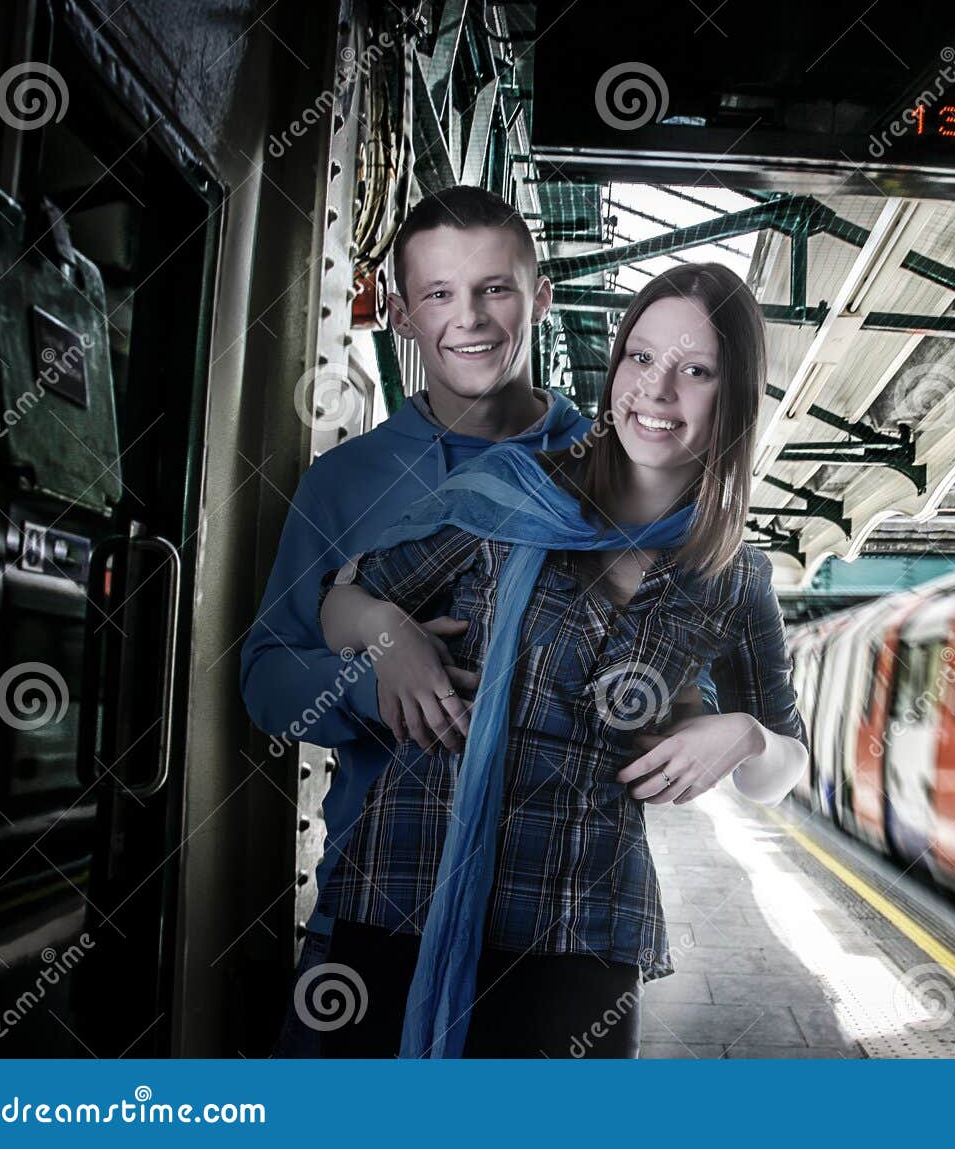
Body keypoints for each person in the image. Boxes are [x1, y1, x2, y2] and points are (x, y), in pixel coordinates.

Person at [240, 186, 714, 1056]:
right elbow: (267, 680)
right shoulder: (347, 483)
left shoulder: (621, 471)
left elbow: (689, 692)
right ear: (403, 316)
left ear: (539, 298)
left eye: (495, 289)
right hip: (388, 895)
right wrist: (380, 664)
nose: (471, 320)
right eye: (439, 295)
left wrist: (704, 726)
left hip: (566, 919)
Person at [315, 261, 810, 1058]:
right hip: (412, 879)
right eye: (641, 358)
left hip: (583, 916)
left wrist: (747, 734)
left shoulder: (735, 576)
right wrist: (388, 633)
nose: (655, 390)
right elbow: (337, 602)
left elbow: (785, 768)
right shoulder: (511, 493)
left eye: (695, 371)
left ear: (734, 401)